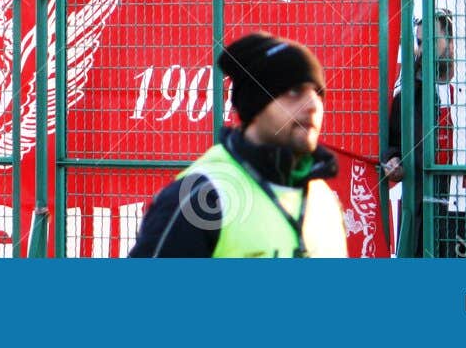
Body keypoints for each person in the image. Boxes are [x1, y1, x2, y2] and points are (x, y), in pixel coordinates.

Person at [128, 32, 345, 257]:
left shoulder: (324, 200)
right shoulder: (201, 197)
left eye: (317, 93)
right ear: (256, 106)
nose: (312, 106)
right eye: (293, 92)